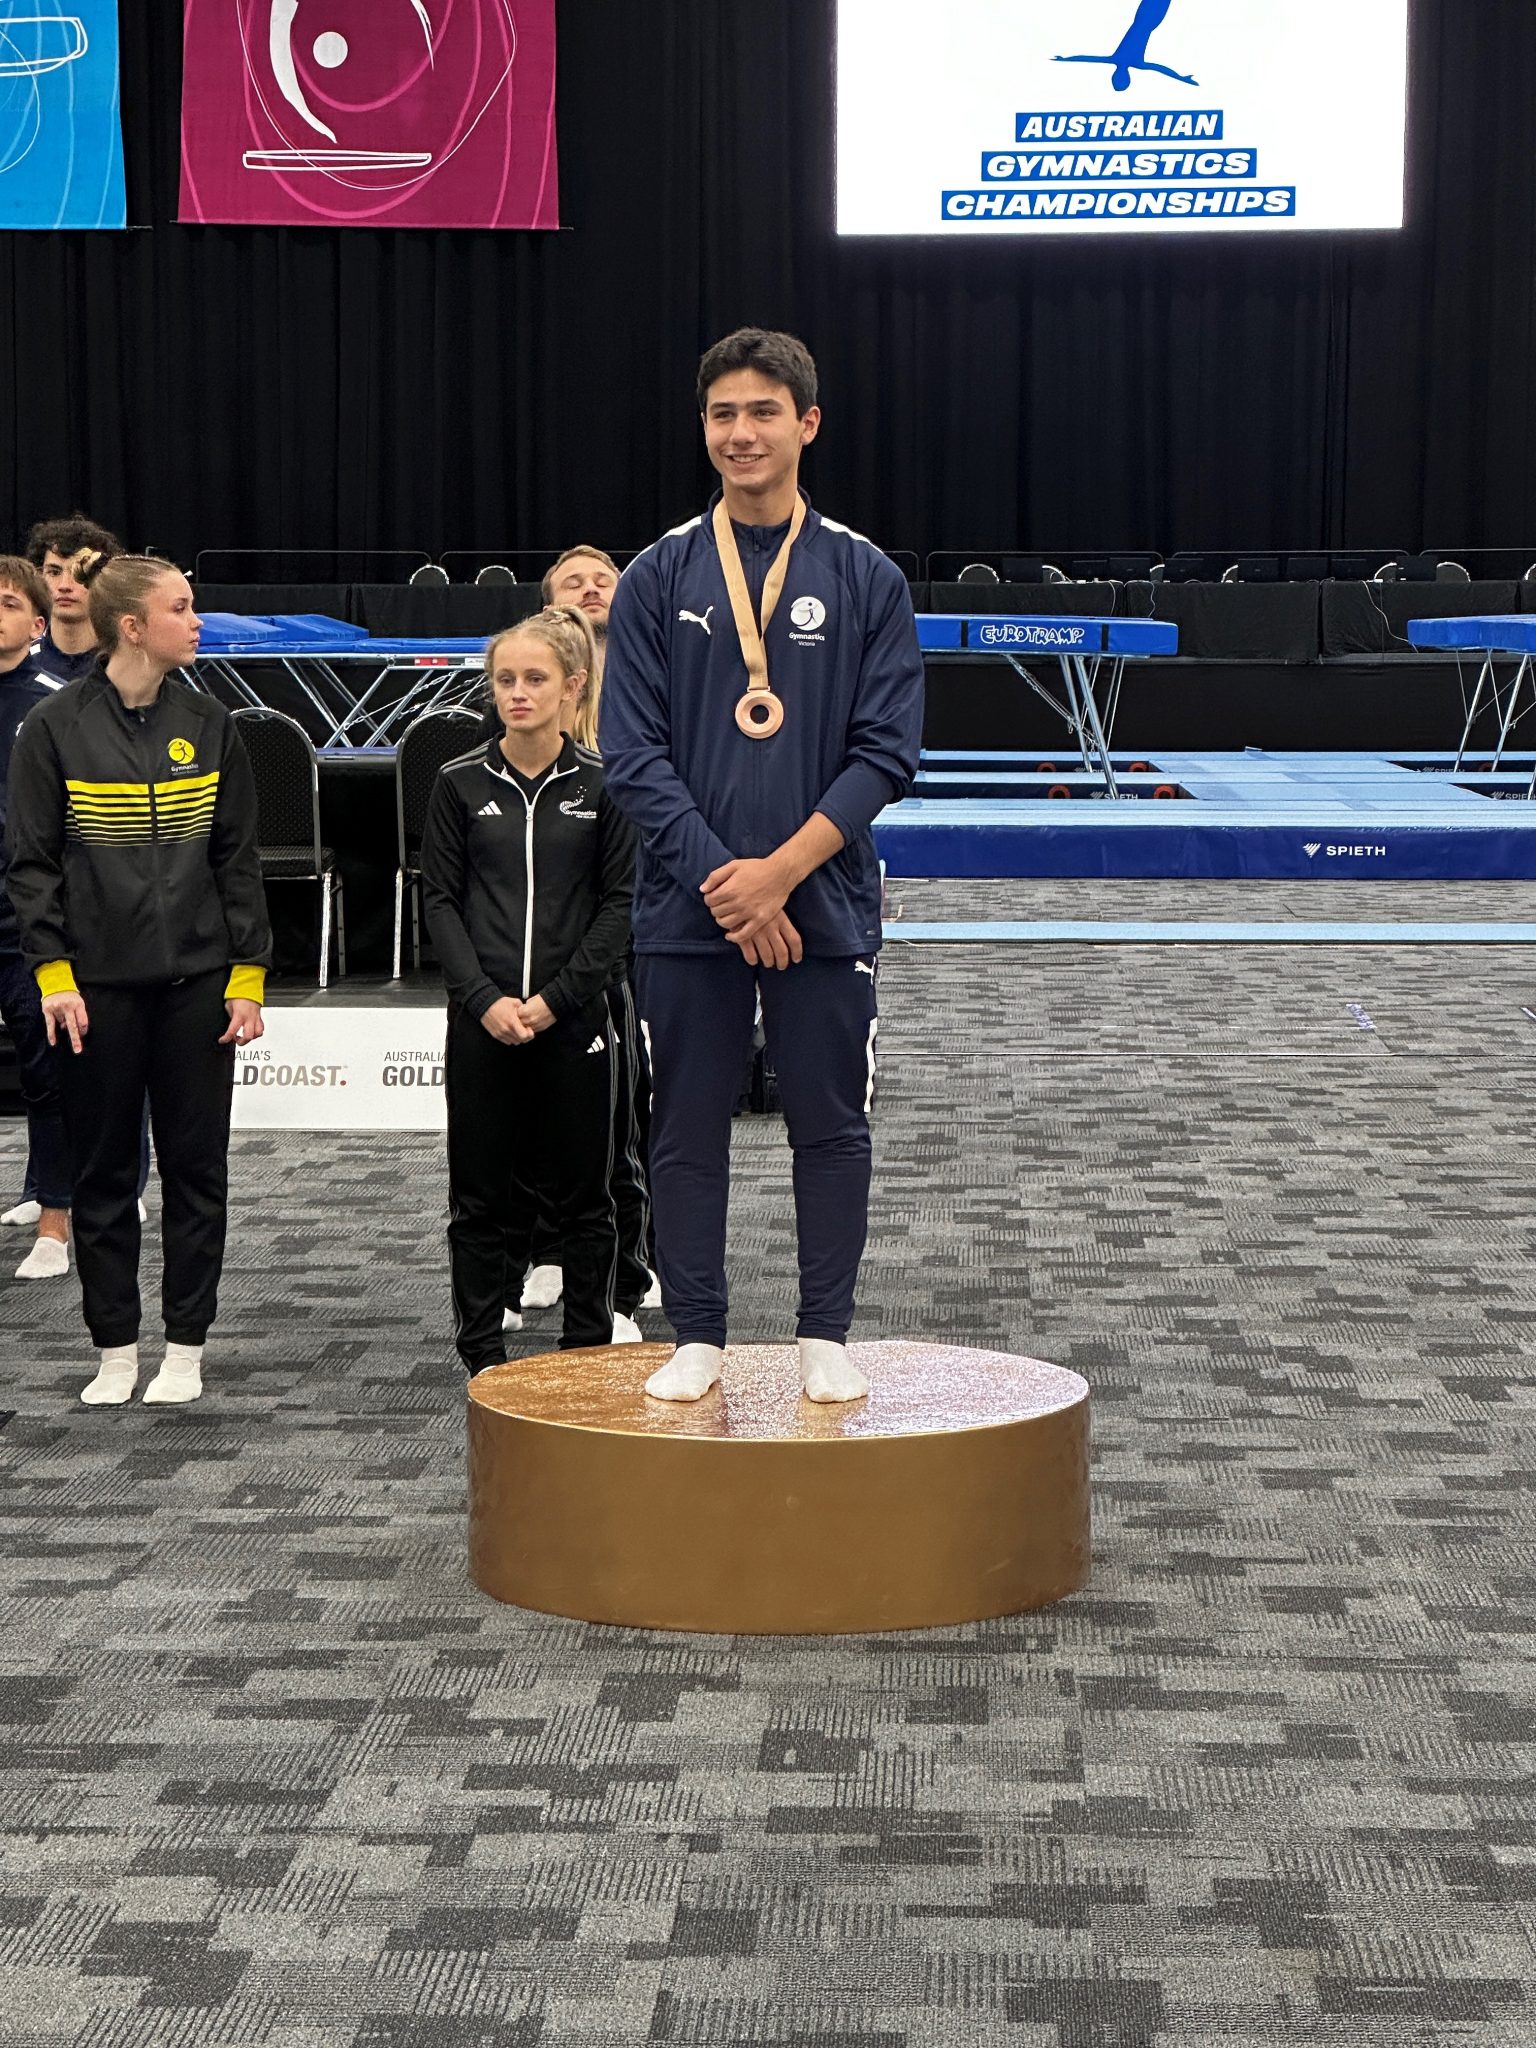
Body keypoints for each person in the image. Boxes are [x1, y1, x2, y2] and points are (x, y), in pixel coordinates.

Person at [600, 327, 924, 1404]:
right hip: (690, 909)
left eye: (763, 412)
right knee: (684, 1126)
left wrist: (778, 874)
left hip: (821, 904)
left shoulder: (864, 573)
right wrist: (729, 885)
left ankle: (824, 1329)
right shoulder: (657, 575)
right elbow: (632, 754)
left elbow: (887, 751)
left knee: (830, 1124)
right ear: (705, 429)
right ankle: (697, 1329)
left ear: (807, 424)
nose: (742, 432)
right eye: (723, 414)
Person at [4, 555, 272, 1406]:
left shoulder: (212, 720)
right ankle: (115, 1347)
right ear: (132, 626)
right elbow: (32, 865)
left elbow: (237, 862)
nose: (198, 622)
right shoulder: (52, 727)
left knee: (198, 1171)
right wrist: (53, 974)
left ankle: (185, 1346)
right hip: (93, 991)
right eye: (182, 608)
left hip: (198, 988)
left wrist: (249, 978)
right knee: (106, 1176)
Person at [421, 604, 636, 1373]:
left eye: (535, 679)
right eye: (505, 679)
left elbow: (619, 907)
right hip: (482, 1022)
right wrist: (483, 999)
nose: (518, 692)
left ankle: (584, 1354)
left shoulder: (609, 787)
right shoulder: (456, 783)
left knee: (586, 1201)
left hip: (575, 1021)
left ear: (573, 688)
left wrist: (556, 1000)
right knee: (479, 1201)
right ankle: (480, 1354)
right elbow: (439, 900)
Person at [503, 543, 657, 1331]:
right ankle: (543, 1251)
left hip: (620, 924)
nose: (593, 589)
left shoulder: (647, 683)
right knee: (531, 1114)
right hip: (539, 933)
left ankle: (631, 1257)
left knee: (620, 1114)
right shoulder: (525, 701)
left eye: (606, 579)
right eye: (575, 581)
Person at [0, 556, 73, 1280]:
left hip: (26, 921)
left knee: (47, 1073)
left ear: (37, 623)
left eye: (7, 602)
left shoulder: (54, 704)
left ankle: (55, 1223)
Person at [25, 513, 124, 685]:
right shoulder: (20, 663)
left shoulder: (127, 664)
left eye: (79, 572)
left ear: (103, 579)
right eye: (54, 572)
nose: (64, 585)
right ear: (39, 577)